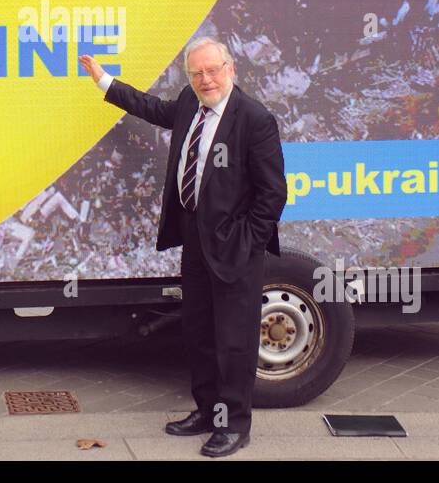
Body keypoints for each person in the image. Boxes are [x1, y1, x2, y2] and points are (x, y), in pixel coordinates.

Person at [78, 37, 287, 458]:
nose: (205, 79)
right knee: (200, 334)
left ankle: (234, 426)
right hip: (195, 242)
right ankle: (208, 412)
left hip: (235, 250)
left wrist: (247, 244)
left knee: (234, 342)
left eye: (212, 70)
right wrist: (105, 82)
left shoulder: (254, 119)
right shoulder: (190, 105)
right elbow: (153, 109)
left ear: (230, 68)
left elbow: (272, 194)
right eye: (197, 73)